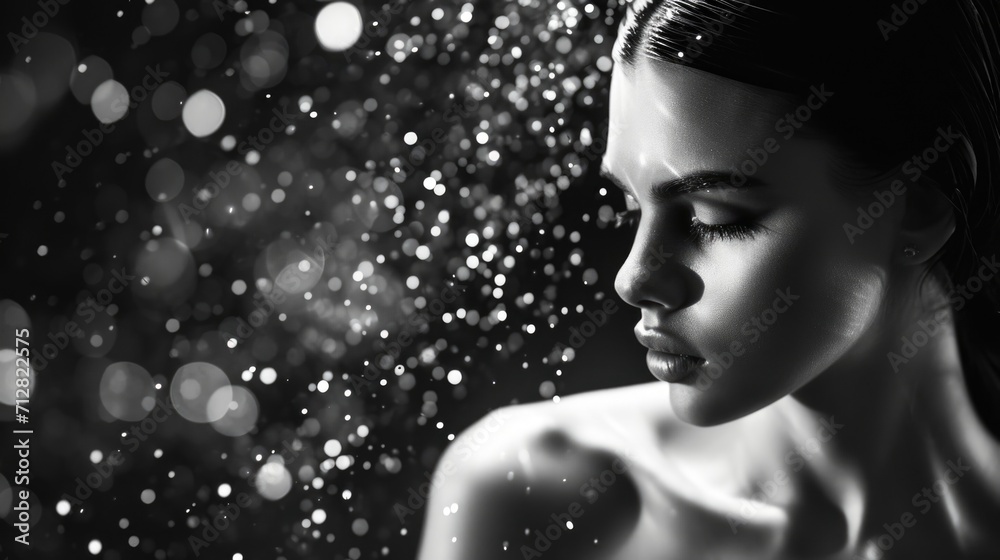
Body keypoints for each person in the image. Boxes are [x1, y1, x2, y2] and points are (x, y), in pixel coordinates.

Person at [416, 1, 1000, 558]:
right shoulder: (531, 490)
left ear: (919, 206)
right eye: (629, 207)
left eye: (715, 218)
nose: (632, 278)